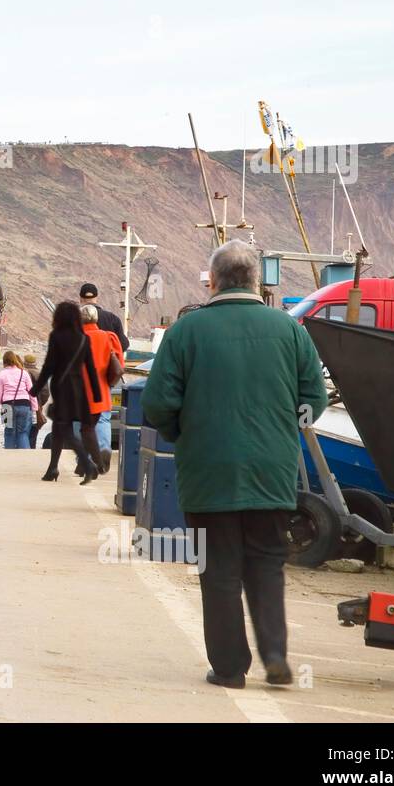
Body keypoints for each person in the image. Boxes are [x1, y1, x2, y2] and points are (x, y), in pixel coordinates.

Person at [142, 240, 328, 689]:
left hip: (209, 475)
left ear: (215, 281)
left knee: (219, 569)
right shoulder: (290, 330)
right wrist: (282, 430)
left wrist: (182, 434)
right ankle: (276, 656)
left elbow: (156, 404)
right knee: (266, 563)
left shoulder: (186, 332)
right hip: (272, 474)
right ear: (256, 281)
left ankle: (229, 668)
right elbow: (314, 399)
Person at [32, 302, 102, 483]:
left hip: (62, 390)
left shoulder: (56, 336)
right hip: (80, 391)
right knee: (58, 430)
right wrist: (97, 393)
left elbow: (49, 365)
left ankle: (88, 464)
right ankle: (52, 468)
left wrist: (36, 388)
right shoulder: (83, 338)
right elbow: (91, 369)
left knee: (65, 430)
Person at [71, 304, 124, 476]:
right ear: (96, 319)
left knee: (79, 424)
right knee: (102, 421)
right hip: (101, 388)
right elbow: (118, 365)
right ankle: (103, 448)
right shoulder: (109, 337)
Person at [0, 351, 37, 449]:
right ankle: (25, 458)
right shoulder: (24, 373)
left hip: (6, 406)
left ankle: (9, 459)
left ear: (4, 361)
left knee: (9, 432)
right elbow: (32, 392)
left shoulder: (1, 375)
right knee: (23, 433)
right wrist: (34, 408)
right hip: (24, 405)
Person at [78, 282, 129, 352]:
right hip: (106, 362)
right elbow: (124, 345)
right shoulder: (112, 318)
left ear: (80, 298)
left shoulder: (72, 319)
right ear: (96, 298)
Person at [23, 353, 48, 449]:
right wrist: (40, 403)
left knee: (22, 432)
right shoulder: (40, 374)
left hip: (22, 404)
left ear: (25, 362)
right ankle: (31, 452)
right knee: (33, 433)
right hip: (36, 407)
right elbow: (46, 392)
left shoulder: (22, 372)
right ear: (35, 362)